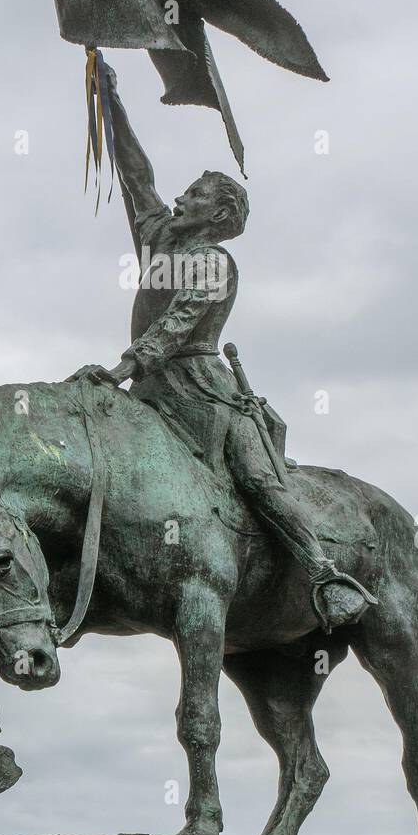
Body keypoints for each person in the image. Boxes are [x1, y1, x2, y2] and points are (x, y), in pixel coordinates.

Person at [71, 72, 376, 632]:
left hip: (204, 390)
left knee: (259, 480)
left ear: (217, 216)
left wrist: (122, 368)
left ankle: (324, 571)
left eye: (194, 195)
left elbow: (178, 326)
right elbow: (137, 176)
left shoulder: (214, 262)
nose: (180, 198)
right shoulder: (161, 239)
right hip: (149, 388)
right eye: (183, 192)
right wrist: (109, 103)